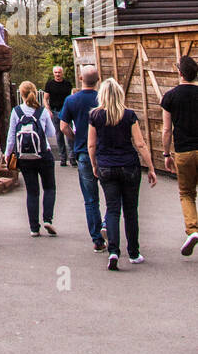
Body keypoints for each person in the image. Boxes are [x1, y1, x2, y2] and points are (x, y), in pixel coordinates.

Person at [88, 78, 157, 270]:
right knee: (130, 211)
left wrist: (94, 164)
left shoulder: (95, 115)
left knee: (112, 209)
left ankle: (113, 251)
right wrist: (150, 167)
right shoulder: (129, 115)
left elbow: (91, 144)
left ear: (101, 95)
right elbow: (140, 143)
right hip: (129, 166)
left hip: (106, 166)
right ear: (120, 94)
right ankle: (133, 252)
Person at [59, 66, 105, 250]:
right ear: (98, 79)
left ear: (80, 78)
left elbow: (63, 126)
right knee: (112, 194)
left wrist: (75, 138)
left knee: (90, 198)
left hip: (84, 152)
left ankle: (97, 240)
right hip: (105, 151)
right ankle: (107, 224)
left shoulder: (71, 100)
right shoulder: (103, 98)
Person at [5, 81, 58, 236]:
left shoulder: (16, 111)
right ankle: (48, 219)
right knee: (49, 188)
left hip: (24, 156)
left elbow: (11, 136)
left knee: (32, 192)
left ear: (21, 94)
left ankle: (34, 228)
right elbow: (51, 133)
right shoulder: (42, 111)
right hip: (43, 153)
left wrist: (8, 154)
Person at [160, 54, 198, 256]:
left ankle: (193, 230)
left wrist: (166, 153)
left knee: (187, 193)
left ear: (180, 73)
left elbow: (166, 130)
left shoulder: (170, 96)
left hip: (183, 151)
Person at [43, 65, 75, 166]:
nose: (57, 74)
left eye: (59, 72)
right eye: (56, 72)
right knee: (59, 135)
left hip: (66, 111)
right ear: (53, 74)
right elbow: (45, 98)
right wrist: (48, 110)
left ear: (62, 73)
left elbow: (71, 97)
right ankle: (62, 158)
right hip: (55, 111)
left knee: (69, 133)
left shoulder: (67, 84)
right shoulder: (50, 84)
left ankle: (72, 157)